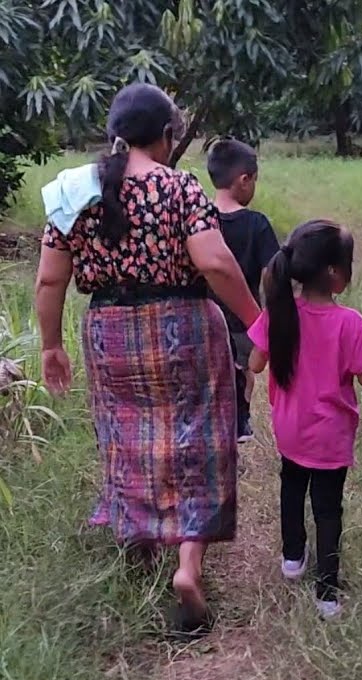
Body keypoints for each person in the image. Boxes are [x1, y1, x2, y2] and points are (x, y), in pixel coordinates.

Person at [34, 83, 260, 632]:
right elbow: (217, 264)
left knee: (127, 441)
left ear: (115, 134)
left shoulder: (74, 190)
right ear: (165, 136)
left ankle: (141, 553)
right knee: (199, 441)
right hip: (183, 327)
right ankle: (187, 568)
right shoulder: (178, 186)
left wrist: (50, 345)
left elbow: (48, 277)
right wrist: (259, 322)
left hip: (109, 333)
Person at [246, 219, 362, 619]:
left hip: (290, 429)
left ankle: (292, 558)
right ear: (335, 273)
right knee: (328, 509)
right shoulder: (350, 322)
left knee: (291, 487)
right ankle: (327, 594)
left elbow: (255, 363)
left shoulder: (279, 313)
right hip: (331, 435)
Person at [207, 138, 280, 443]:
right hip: (244, 318)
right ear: (244, 179)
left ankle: (214, 423)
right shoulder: (257, 224)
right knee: (244, 370)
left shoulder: (199, 219)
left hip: (204, 317)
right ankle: (241, 420)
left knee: (211, 373)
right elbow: (271, 275)